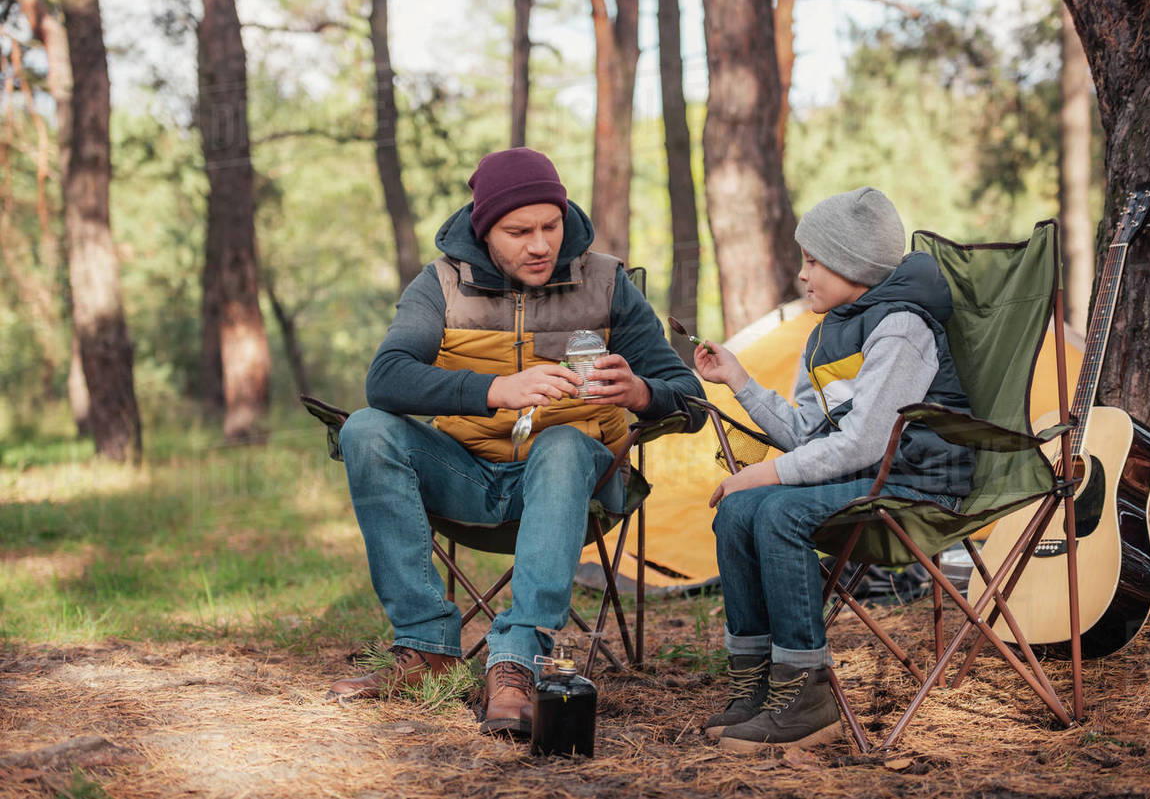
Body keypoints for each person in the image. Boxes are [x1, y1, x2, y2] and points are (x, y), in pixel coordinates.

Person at [327, 147, 705, 738]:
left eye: (550, 226)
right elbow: (386, 379)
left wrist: (637, 392)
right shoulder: (441, 285)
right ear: (484, 230)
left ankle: (517, 661)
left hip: (577, 484)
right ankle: (426, 650)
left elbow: (688, 396)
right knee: (365, 428)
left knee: (559, 443)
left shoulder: (606, 282)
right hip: (468, 478)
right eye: (519, 231)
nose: (540, 245)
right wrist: (497, 388)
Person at [691, 186, 974, 751]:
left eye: (814, 261)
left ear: (853, 264)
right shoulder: (827, 333)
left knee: (776, 510)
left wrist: (763, 474)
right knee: (737, 512)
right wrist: (740, 381)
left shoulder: (901, 326)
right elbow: (805, 432)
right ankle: (761, 685)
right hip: (869, 478)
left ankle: (806, 697)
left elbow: (861, 444)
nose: (803, 275)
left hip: (918, 484)